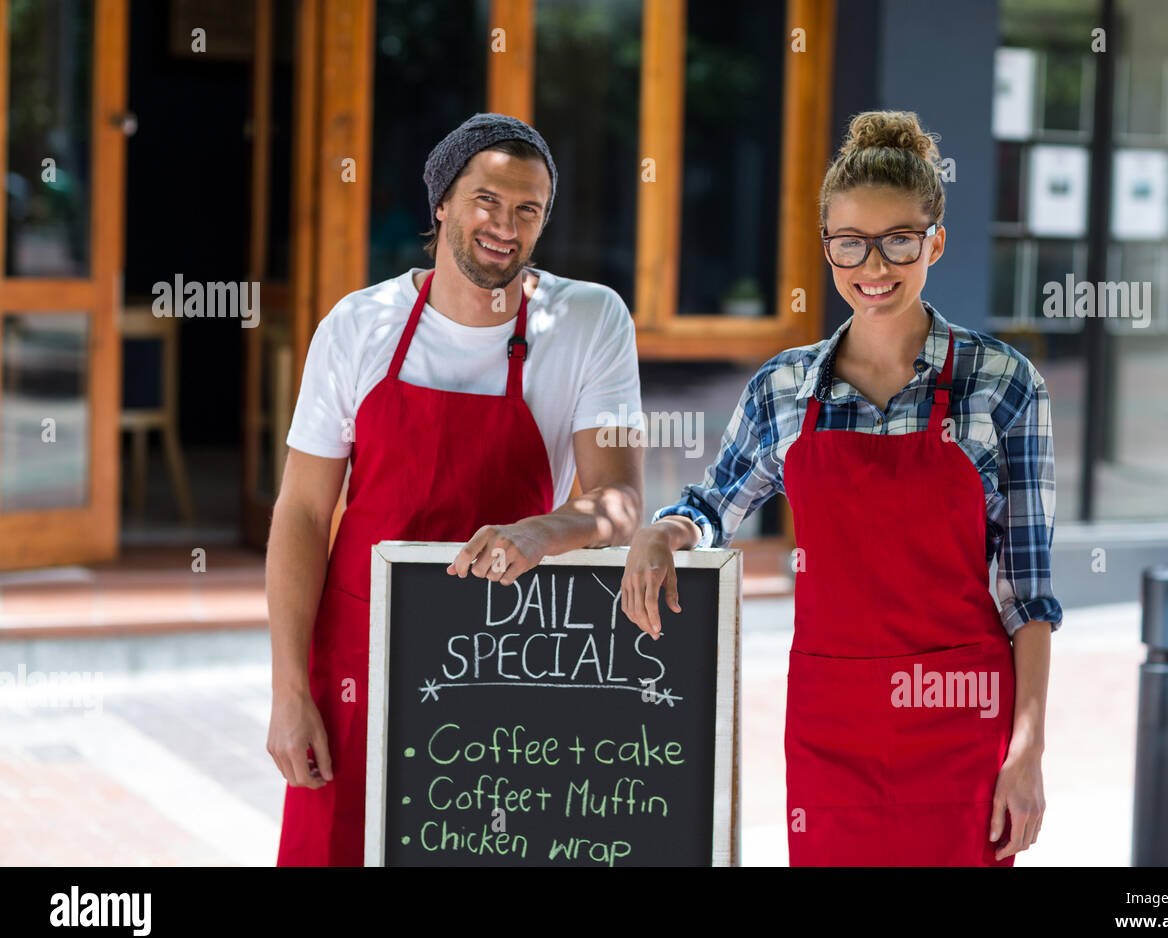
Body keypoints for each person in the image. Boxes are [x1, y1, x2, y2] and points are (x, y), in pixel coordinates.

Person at [620, 110, 1062, 866]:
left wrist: (1026, 754)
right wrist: (663, 531)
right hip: (833, 728)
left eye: (900, 239)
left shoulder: (1004, 385)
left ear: (935, 242)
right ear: (827, 248)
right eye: (850, 242)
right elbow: (710, 508)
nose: (874, 264)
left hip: (960, 723)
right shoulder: (784, 389)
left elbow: (1029, 598)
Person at [268, 113, 645, 866]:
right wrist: (288, 691)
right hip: (359, 660)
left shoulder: (588, 320)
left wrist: (543, 531)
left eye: (528, 209)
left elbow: (620, 502)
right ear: (441, 202)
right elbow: (304, 514)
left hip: (509, 661)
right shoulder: (358, 326)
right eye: (486, 199)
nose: (505, 225)